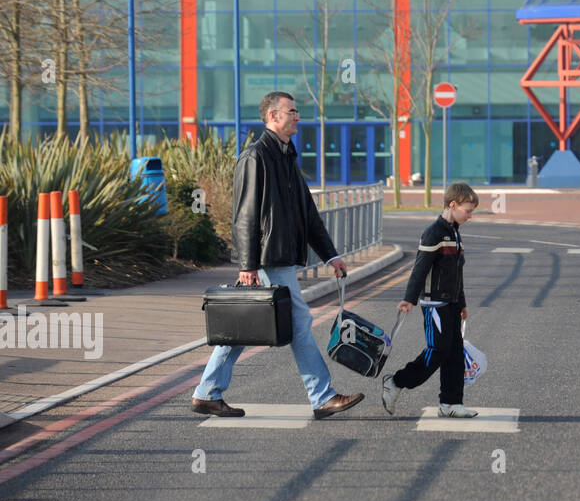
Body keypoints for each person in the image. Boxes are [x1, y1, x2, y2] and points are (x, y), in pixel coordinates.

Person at [192, 92, 364, 420]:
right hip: (267, 260)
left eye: (297, 112)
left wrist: (331, 256)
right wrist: (248, 265)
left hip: (277, 258)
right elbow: (245, 215)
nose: (298, 117)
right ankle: (323, 396)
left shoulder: (286, 159)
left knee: (242, 325)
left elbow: (309, 217)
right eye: (292, 111)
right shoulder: (255, 157)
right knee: (300, 322)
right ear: (273, 116)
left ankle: (207, 392)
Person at [382, 183, 478, 418]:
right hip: (434, 304)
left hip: (452, 304)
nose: (470, 215)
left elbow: (457, 274)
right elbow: (420, 268)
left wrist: (462, 303)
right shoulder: (434, 232)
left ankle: (450, 403)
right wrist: (409, 299)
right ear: (452, 205)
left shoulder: (455, 233)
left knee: (454, 353)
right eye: (468, 210)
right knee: (438, 351)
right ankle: (396, 382)